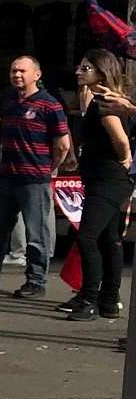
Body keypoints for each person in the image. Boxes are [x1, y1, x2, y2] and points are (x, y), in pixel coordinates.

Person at [0, 55, 70, 299]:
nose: (17, 75)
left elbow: (63, 144)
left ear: (36, 75)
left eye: (22, 71)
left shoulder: (50, 105)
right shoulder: (7, 98)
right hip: (8, 176)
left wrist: (52, 167)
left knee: (36, 234)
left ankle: (36, 281)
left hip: (34, 180)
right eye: (13, 71)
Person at [61, 49, 131, 322]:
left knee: (87, 237)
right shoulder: (102, 98)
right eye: (80, 67)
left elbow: (120, 138)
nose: (79, 71)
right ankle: (109, 300)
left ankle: (88, 298)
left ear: (101, 72)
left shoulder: (104, 102)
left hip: (109, 180)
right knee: (109, 239)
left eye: (86, 68)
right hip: (102, 178)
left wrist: (125, 158)